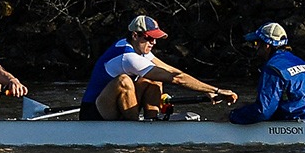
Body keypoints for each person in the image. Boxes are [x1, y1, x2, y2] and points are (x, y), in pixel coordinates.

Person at [80, 15, 237, 121]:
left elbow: (173, 72)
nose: (154, 43)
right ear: (135, 35)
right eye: (150, 38)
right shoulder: (127, 57)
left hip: (113, 107)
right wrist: (218, 91)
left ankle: (152, 121)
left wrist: (206, 90)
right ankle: (134, 128)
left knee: (154, 80)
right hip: (94, 112)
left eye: (155, 39)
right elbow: (176, 79)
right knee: (124, 81)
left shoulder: (138, 48)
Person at [229, 22, 305, 124]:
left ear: (267, 45)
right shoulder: (298, 61)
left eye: (256, 43)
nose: (255, 48)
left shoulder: (273, 67)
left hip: (297, 120)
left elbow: (264, 111)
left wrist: (234, 116)